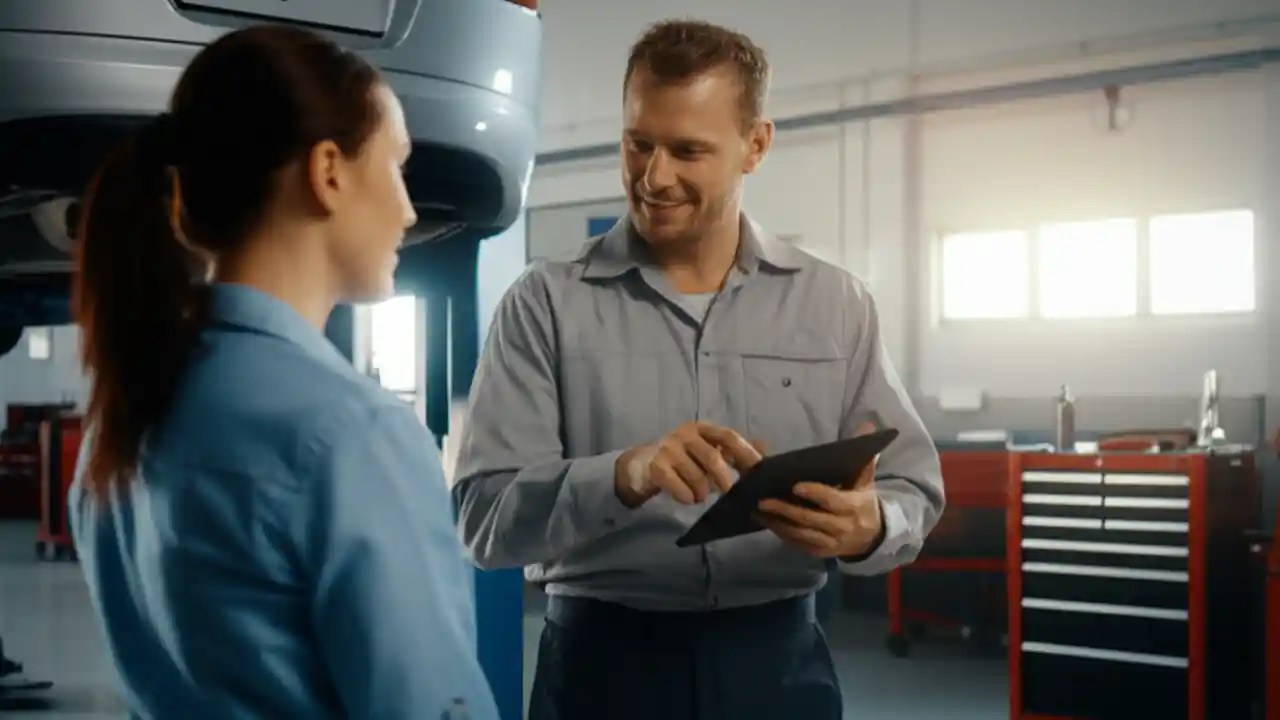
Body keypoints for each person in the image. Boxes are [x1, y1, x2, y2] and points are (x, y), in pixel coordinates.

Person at [453, 18, 945, 720]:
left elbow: (914, 489)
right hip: (602, 670)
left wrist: (870, 525)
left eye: (688, 151)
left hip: (779, 666)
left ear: (756, 146)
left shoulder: (835, 303)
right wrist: (623, 474)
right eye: (638, 144)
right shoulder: (545, 304)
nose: (654, 177)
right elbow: (484, 521)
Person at [67, 24, 497, 720]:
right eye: (396, 167)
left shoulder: (118, 420)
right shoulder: (351, 434)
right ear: (328, 172)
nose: (410, 209)